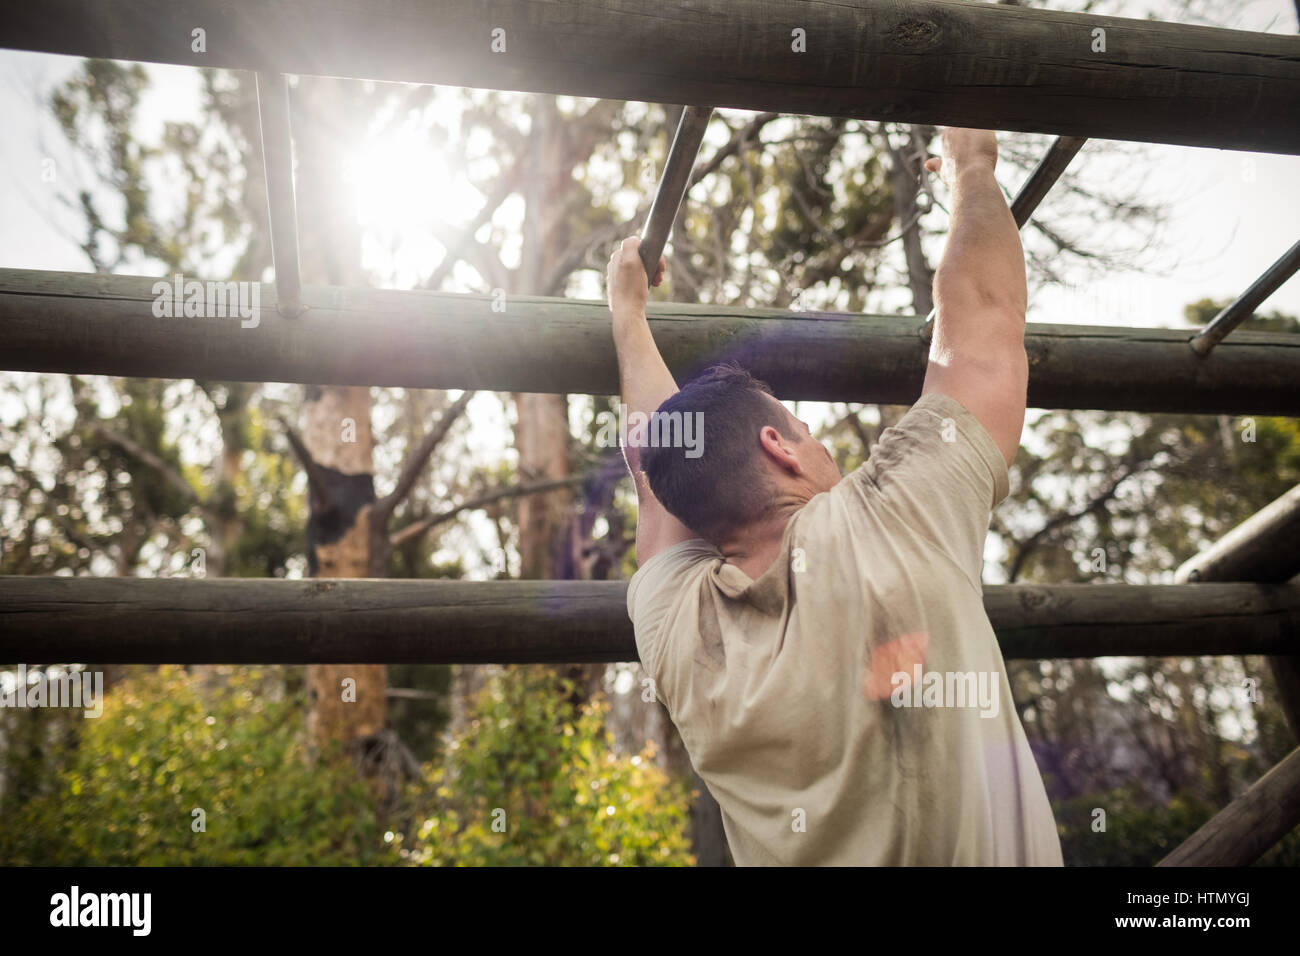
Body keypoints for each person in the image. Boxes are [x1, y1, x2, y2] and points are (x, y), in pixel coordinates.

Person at [605, 127, 1063, 865]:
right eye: (805, 430)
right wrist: (973, 163)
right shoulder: (893, 513)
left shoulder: (681, 636)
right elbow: (980, 317)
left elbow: (653, 475)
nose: (822, 445)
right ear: (778, 447)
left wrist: (625, 315)